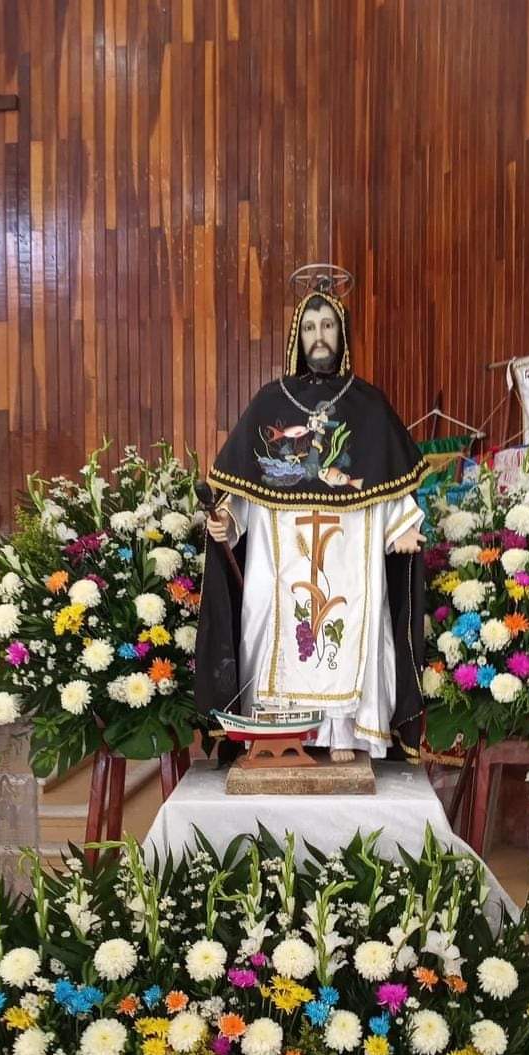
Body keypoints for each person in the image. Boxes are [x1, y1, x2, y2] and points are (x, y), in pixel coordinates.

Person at [195, 290, 427, 762]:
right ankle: (275, 729)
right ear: (297, 339)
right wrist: (229, 524)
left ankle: (343, 733)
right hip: (277, 550)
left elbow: (387, 483)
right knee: (267, 620)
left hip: (351, 551)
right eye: (309, 328)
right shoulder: (269, 404)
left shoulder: (369, 406)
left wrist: (400, 527)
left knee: (355, 618)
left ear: (342, 335)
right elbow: (243, 489)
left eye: (327, 326)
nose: (318, 337)